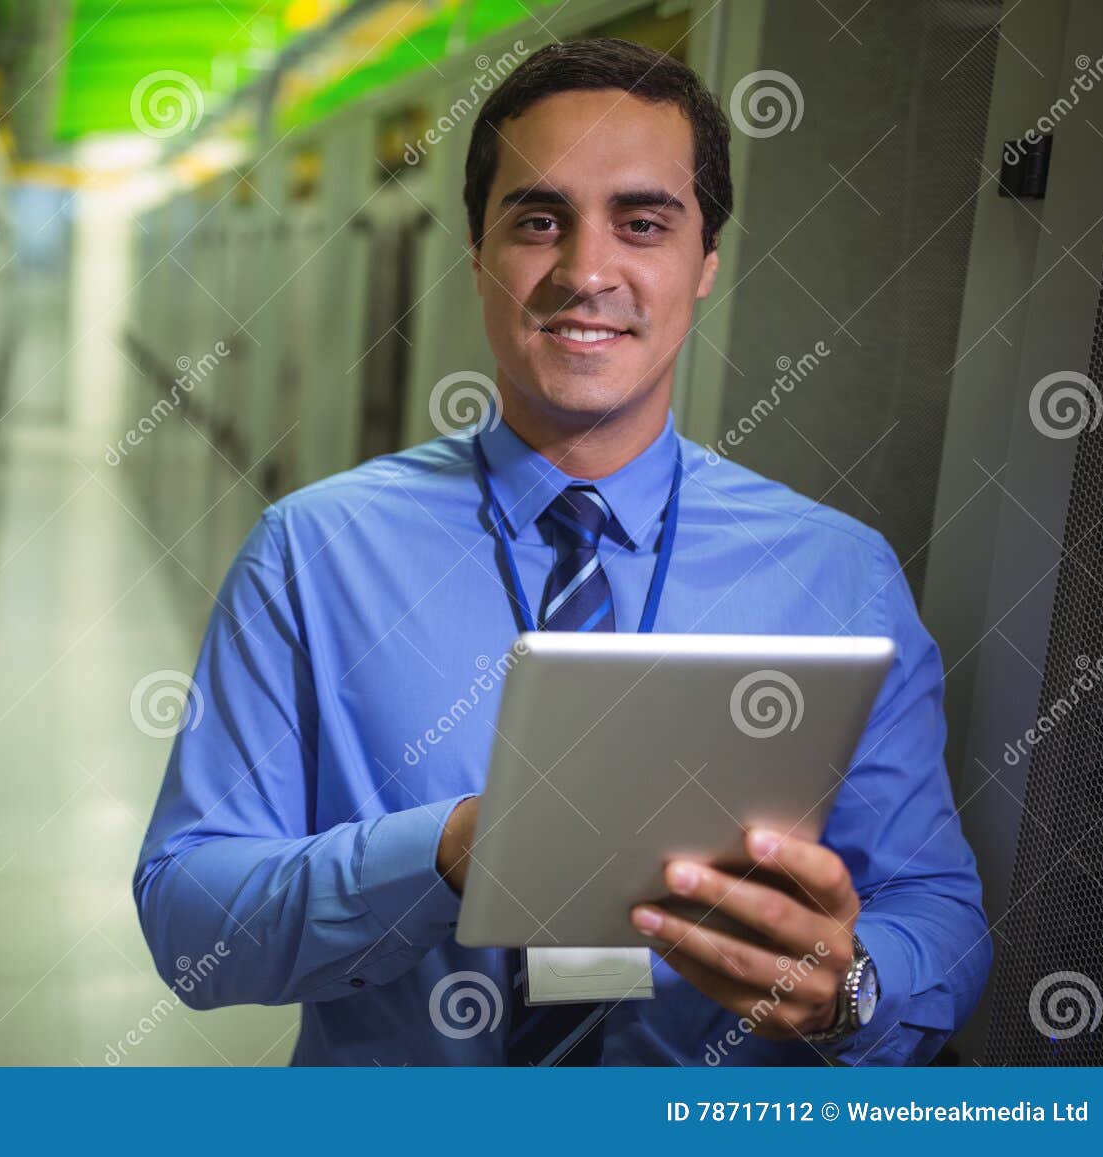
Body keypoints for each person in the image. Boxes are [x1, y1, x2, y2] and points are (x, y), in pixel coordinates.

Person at [132, 36, 989, 1066]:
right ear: (477, 251)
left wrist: (848, 988)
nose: (586, 272)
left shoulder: (837, 573)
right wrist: (440, 852)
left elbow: (935, 905)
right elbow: (189, 925)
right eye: (538, 221)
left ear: (705, 261)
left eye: (643, 223)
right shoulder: (313, 552)